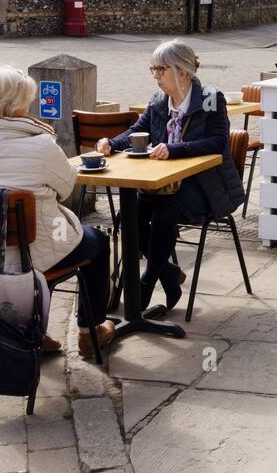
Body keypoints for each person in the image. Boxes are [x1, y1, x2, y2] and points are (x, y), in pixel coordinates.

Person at [0, 65, 114, 357]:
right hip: (32, 253)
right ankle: (90, 332)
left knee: (39, 252)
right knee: (97, 243)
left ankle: (32, 331)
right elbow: (66, 187)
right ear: (19, 104)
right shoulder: (40, 144)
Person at [97, 40, 244, 312]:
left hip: (203, 184)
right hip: (163, 184)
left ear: (183, 71)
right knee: (130, 216)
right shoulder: (158, 100)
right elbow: (138, 130)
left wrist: (174, 150)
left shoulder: (211, 98)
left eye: (161, 69)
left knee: (165, 214)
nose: (156, 76)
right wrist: (111, 142)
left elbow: (217, 143)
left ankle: (145, 285)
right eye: (153, 69)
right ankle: (169, 275)